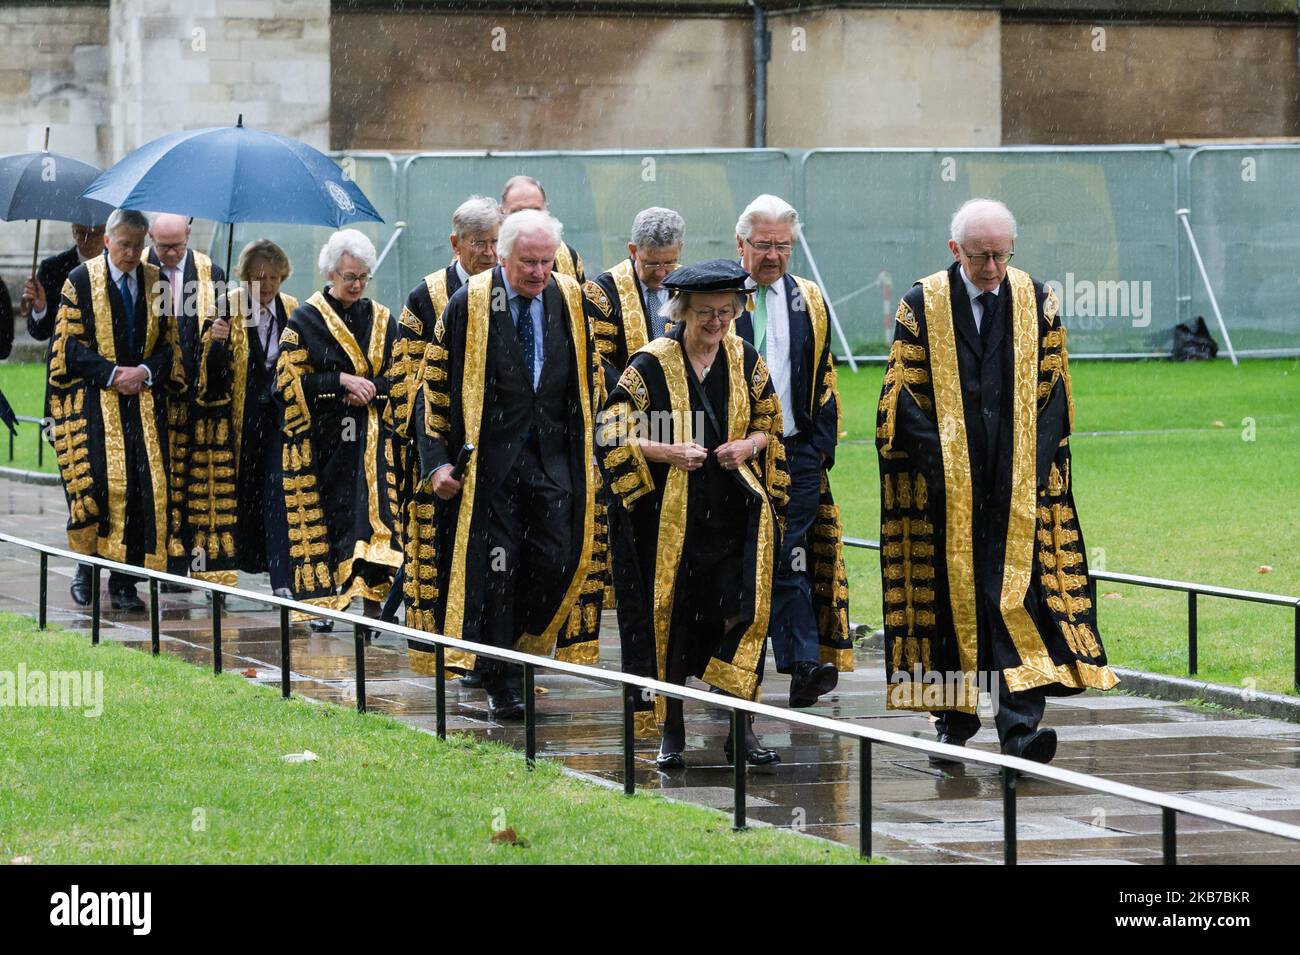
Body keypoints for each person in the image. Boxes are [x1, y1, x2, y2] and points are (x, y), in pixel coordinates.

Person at [876, 197, 1119, 766]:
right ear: (954, 249)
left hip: (1017, 482)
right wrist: (948, 469)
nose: (991, 267)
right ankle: (951, 725)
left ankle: (1020, 729)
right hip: (945, 488)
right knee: (946, 598)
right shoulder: (923, 304)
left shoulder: (1037, 299)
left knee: (1017, 594)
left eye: (1000, 255)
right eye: (980, 255)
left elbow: (1055, 388)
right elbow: (901, 397)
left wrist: (1027, 468)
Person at [407, 209, 602, 720]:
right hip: (491, 469)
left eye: (546, 261)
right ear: (502, 254)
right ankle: (501, 678)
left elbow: (592, 378)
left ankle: (518, 646)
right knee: (497, 571)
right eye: (528, 262)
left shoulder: (573, 299)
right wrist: (436, 465)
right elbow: (433, 389)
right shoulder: (469, 302)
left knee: (559, 558)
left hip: (555, 463)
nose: (538, 272)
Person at [599, 258, 789, 768]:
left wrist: (748, 446)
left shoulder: (745, 358)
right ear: (681, 311)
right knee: (676, 622)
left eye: (727, 312)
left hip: (733, 515)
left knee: (742, 612)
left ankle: (740, 725)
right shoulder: (650, 363)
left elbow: (771, 424)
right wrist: (669, 452)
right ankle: (672, 728)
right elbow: (611, 433)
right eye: (706, 312)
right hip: (669, 521)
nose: (717, 323)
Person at [733, 194, 850, 707]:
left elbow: (824, 373)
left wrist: (819, 448)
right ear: (742, 243)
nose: (773, 256)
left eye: (783, 245)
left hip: (795, 449)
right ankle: (736, 661)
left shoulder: (807, 297)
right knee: (747, 555)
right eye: (763, 245)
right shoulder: (718, 294)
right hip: (734, 451)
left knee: (790, 553)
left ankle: (802, 663)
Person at [45, 209, 185, 610]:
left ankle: (124, 581)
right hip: (95, 404)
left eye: (138, 246)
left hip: (143, 404)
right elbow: (66, 347)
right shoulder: (79, 281)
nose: (131, 253)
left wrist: (142, 370)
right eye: (124, 244)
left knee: (143, 491)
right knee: (99, 490)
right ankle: (86, 570)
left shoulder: (155, 281)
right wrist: (109, 374)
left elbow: (168, 347)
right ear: (107, 241)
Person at [275, 229, 402, 631]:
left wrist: (371, 390)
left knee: (373, 521)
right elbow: (286, 384)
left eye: (363, 277)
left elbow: (400, 378)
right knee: (333, 520)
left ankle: (373, 603)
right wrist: (340, 383)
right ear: (331, 273)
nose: (357, 284)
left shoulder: (381, 318)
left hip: (373, 442)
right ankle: (327, 605)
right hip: (325, 442)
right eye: (349, 276)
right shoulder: (305, 319)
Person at [390, 196, 502, 634]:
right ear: (456, 243)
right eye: (479, 243)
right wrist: (432, 454)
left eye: (495, 242)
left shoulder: (505, 288)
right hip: (440, 441)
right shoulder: (426, 296)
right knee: (441, 552)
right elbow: (408, 383)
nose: (489, 253)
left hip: (496, 439)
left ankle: (488, 647)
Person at [190, 239, 298, 593]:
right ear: (244, 276)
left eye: (273, 278)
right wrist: (217, 343)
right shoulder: (226, 306)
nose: (265, 286)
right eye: (257, 277)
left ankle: (282, 578)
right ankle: (221, 574)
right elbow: (208, 377)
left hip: (277, 419)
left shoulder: (292, 308)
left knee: (277, 493)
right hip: (236, 419)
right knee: (232, 495)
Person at [146, 213, 227, 581]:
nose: (171, 253)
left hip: (200, 397)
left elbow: (234, 325)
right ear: (151, 238)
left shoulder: (213, 272)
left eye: (177, 245)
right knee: (159, 484)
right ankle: (156, 560)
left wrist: (224, 332)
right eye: (163, 246)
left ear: (189, 236)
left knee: (197, 488)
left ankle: (192, 566)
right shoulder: (141, 270)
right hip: (155, 398)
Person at [583, 206, 683, 390]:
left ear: (680, 249)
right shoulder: (603, 293)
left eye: (669, 262)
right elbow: (599, 361)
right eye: (651, 264)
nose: (661, 273)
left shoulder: (688, 288)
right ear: (633, 250)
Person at [23, 222, 107, 342]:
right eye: (82, 233)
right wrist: (41, 309)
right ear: (73, 231)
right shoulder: (52, 268)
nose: (89, 240)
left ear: (106, 232)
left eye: (96, 234)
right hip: (67, 356)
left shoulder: (120, 265)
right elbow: (40, 333)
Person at [500, 175, 586, 283]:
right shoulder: (488, 252)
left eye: (535, 211)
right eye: (518, 212)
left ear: (546, 211)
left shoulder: (568, 257)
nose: (528, 219)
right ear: (502, 213)